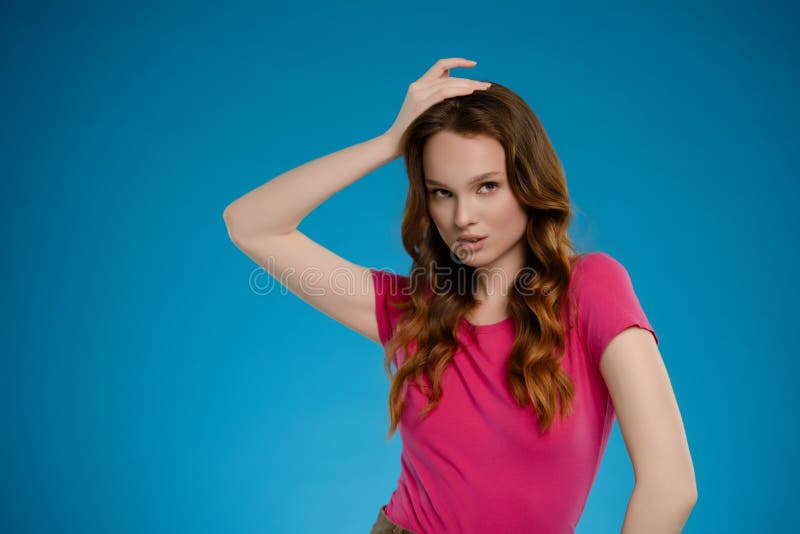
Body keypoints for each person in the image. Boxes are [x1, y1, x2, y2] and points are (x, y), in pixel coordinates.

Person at [223, 57, 697, 534]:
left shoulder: (590, 288)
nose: (462, 217)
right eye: (442, 192)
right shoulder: (412, 310)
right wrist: (390, 142)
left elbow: (671, 485)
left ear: (528, 185)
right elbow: (250, 224)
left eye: (486, 187)